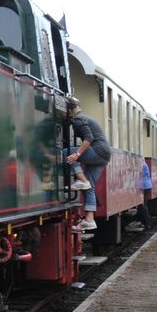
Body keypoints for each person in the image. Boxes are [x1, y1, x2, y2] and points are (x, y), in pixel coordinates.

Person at [64, 98, 110, 232]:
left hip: (98, 150)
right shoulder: (84, 117)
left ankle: (81, 180)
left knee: (66, 153)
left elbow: (89, 138)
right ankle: (89, 220)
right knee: (90, 186)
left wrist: (77, 154)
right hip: (105, 155)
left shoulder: (77, 119)